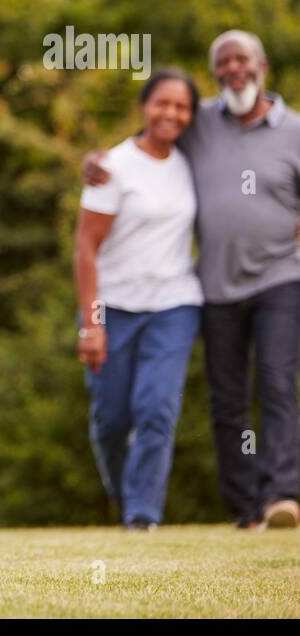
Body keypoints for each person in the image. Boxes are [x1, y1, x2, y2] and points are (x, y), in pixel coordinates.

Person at [84, 31, 300, 530]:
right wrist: (95, 160)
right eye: (222, 63)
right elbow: (150, 136)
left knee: (275, 380)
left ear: (263, 64)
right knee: (226, 399)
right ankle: (246, 509)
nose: (233, 70)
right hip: (215, 286)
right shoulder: (201, 120)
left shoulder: (292, 131)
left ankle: (281, 495)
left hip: (280, 278)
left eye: (241, 60)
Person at [75, 70, 203, 531]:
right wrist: (91, 324)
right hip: (112, 306)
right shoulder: (112, 166)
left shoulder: (194, 163)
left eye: (182, 107)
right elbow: (85, 246)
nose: (171, 113)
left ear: (191, 115)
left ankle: (142, 516)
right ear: (145, 106)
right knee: (111, 419)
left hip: (175, 305)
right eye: (162, 103)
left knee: (156, 410)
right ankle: (122, 492)